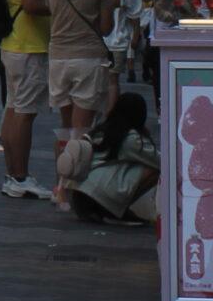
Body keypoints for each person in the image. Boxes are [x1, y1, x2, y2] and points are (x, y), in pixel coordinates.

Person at [46, 0, 118, 203]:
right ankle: (70, 190)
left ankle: (59, 186)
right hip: (88, 58)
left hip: (58, 58)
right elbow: (106, 28)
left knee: (65, 128)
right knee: (81, 130)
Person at [0, 0, 59, 201]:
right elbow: (32, 4)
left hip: (13, 42)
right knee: (25, 113)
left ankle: (13, 175)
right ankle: (20, 176)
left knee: (14, 108)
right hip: (28, 45)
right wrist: (60, 8)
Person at [66, 91, 161, 225]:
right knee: (153, 170)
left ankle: (112, 208)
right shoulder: (131, 139)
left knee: (134, 164)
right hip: (99, 197)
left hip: (80, 194)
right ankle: (115, 209)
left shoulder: (102, 130)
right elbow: (160, 161)